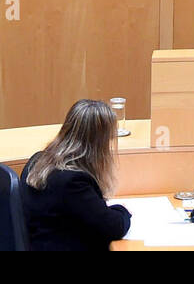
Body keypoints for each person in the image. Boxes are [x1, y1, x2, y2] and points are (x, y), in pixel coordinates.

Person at [19, 98, 132, 251]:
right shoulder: (73, 182)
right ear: (99, 143)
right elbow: (112, 227)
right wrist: (123, 211)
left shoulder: (38, 161)